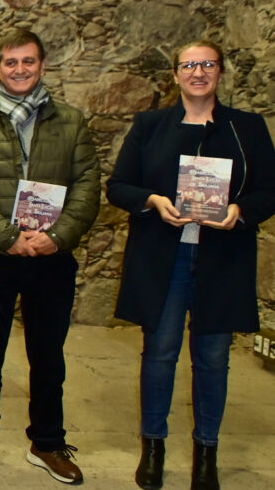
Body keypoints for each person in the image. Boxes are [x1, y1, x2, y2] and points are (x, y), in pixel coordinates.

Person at [107, 40, 275, 490]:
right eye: (189, 65)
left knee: (213, 358)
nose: (198, 72)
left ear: (220, 72)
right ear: (176, 74)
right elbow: (118, 186)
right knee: (160, 353)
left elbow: (269, 190)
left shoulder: (246, 127)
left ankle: (206, 454)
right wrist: (153, 200)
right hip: (164, 257)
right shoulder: (150, 125)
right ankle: (154, 448)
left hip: (223, 258)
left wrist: (240, 211)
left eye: (207, 64)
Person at [0, 28, 100, 484]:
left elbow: (88, 186)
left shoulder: (71, 122)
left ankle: (47, 442)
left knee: (48, 355)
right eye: (11, 62)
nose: (19, 70)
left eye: (28, 61)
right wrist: (7, 237)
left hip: (51, 257)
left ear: (42, 65)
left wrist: (57, 237)